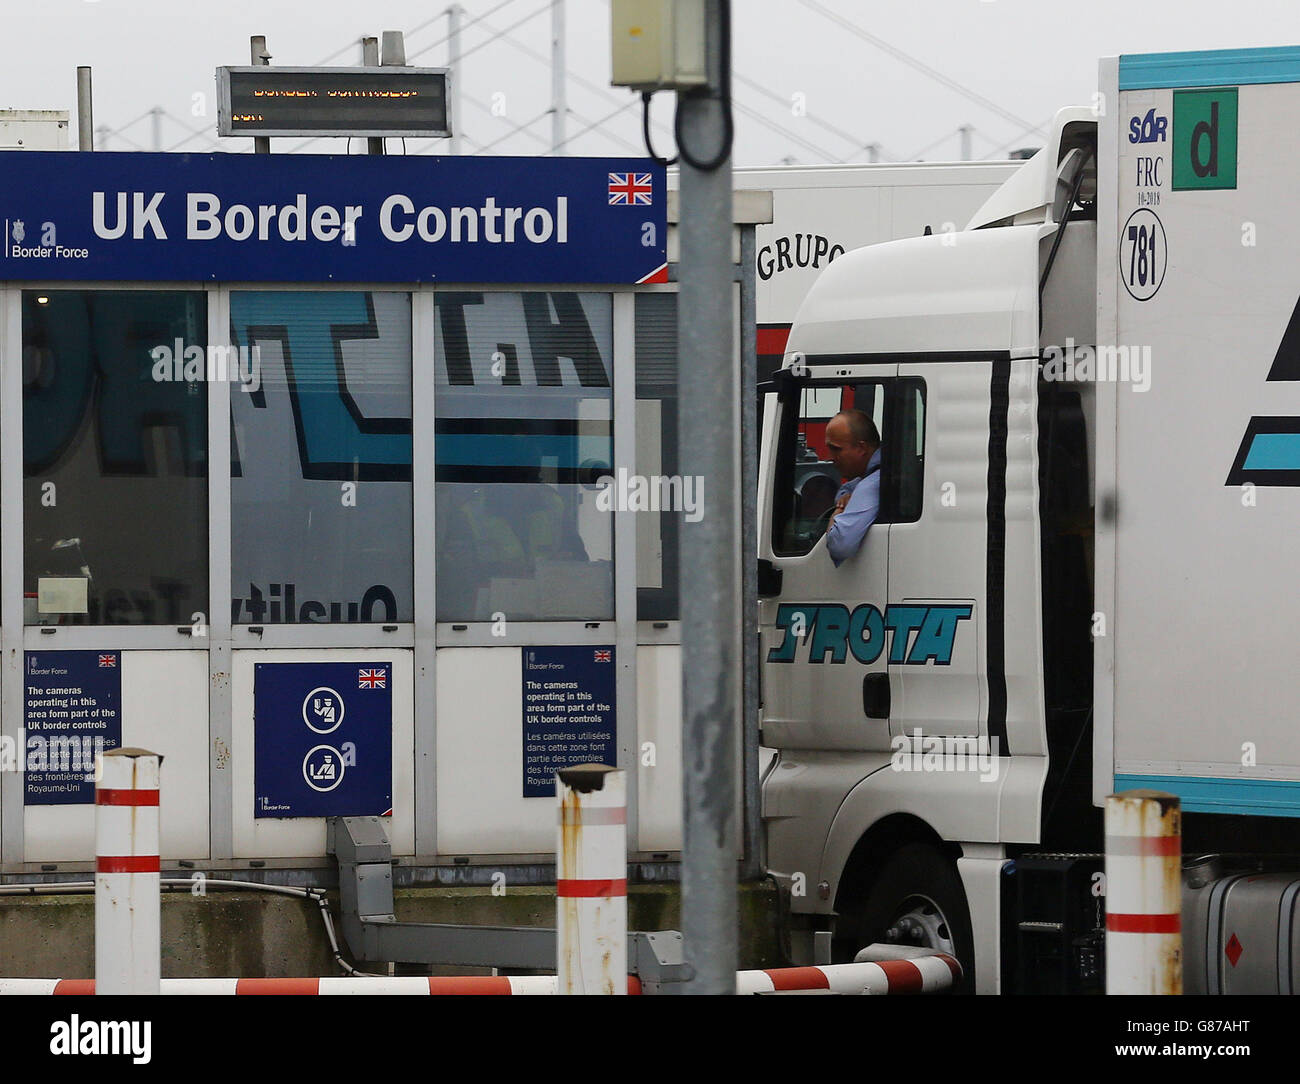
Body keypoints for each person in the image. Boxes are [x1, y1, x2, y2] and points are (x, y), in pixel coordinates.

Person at [824, 409, 881, 566]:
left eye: (836, 449)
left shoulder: (872, 485)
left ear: (862, 449)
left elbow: (839, 546)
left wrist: (838, 511)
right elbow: (847, 489)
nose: (831, 457)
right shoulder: (869, 477)